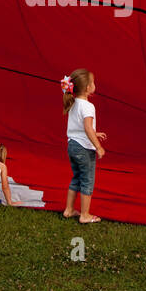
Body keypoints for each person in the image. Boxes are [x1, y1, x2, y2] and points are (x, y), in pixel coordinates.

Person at [61, 69, 106, 224]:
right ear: (87, 88)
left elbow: (81, 127)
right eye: (92, 82)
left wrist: (95, 133)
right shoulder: (88, 106)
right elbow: (87, 128)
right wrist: (98, 146)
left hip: (72, 145)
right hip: (84, 149)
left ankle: (68, 210)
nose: (94, 85)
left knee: (76, 178)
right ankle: (85, 215)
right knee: (87, 181)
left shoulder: (73, 102)